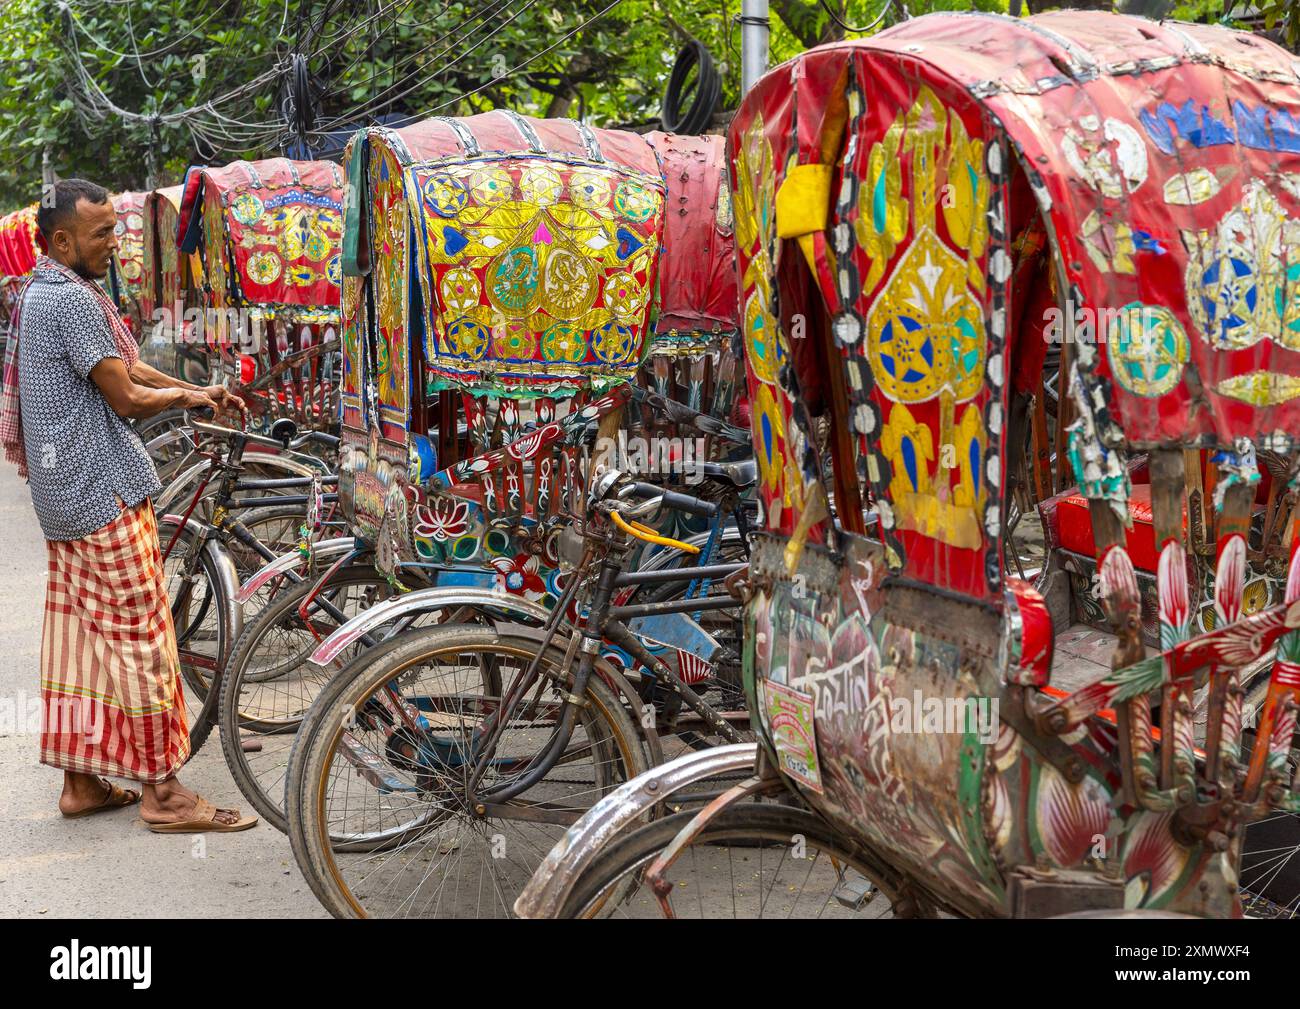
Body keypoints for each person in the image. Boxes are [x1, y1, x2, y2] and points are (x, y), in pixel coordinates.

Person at [0, 177, 257, 832]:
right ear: (62, 240)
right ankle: (165, 793)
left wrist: (199, 391)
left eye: (114, 228)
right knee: (144, 640)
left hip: (63, 502)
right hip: (100, 495)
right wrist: (189, 399)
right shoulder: (71, 300)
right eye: (102, 233)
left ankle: (80, 780)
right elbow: (127, 396)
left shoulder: (39, 292)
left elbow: (128, 368)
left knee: (81, 641)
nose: (114, 243)